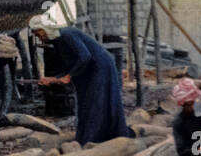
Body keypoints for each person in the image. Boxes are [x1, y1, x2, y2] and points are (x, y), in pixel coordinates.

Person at [30, 13, 130, 145]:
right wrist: (53, 79)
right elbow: (69, 64)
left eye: (38, 34)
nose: (39, 38)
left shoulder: (66, 35)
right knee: (86, 103)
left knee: (95, 102)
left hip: (100, 66)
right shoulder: (58, 40)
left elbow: (84, 56)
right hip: (90, 68)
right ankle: (89, 137)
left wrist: (68, 76)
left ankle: (93, 139)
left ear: (44, 29)